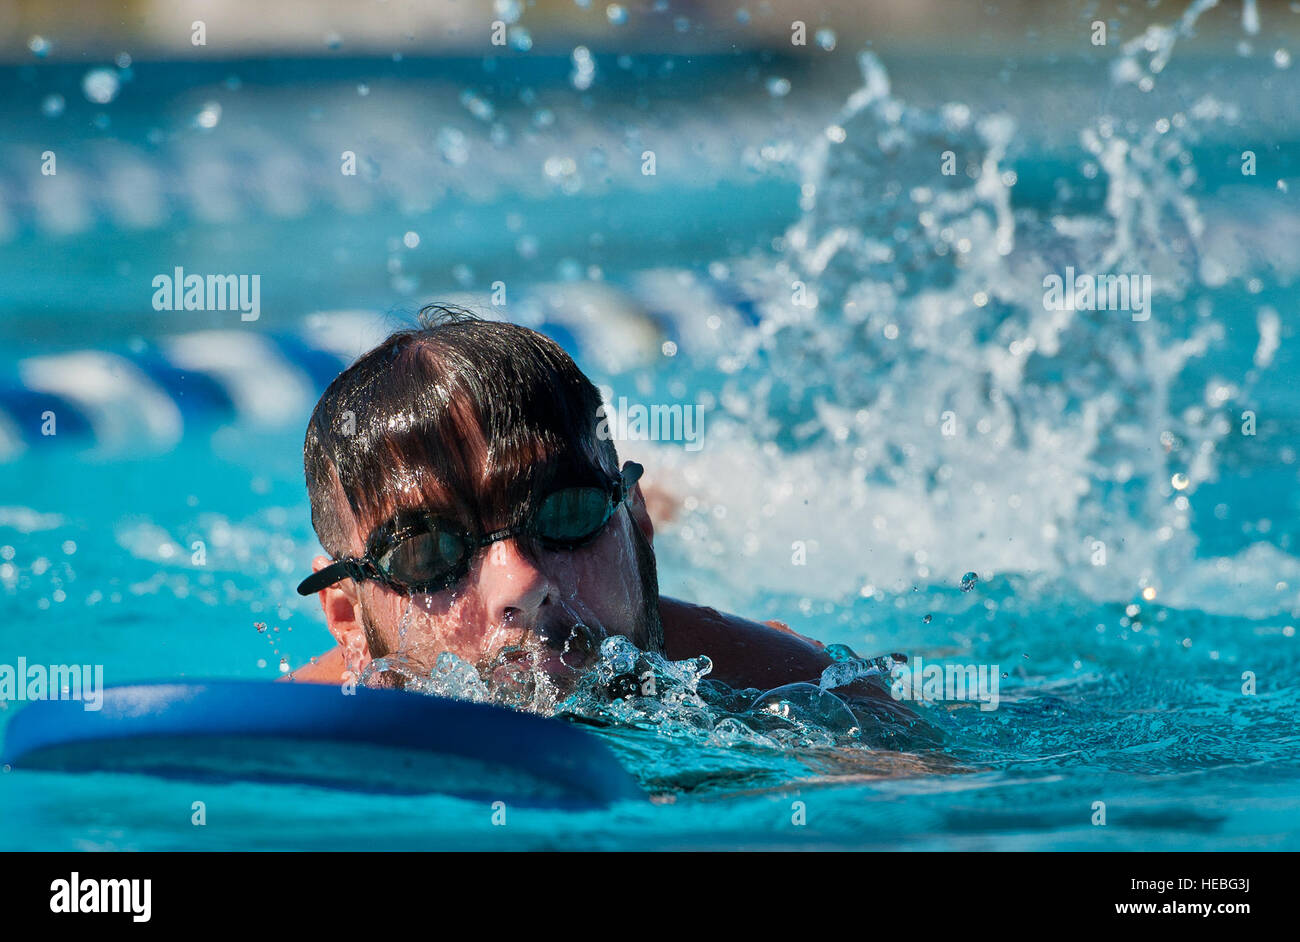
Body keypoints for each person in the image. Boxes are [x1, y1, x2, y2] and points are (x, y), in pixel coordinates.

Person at [286, 306, 874, 703]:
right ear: (347, 619)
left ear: (634, 521)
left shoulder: (796, 690)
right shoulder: (288, 748)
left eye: (566, 514)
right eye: (428, 553)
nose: (522, 582)